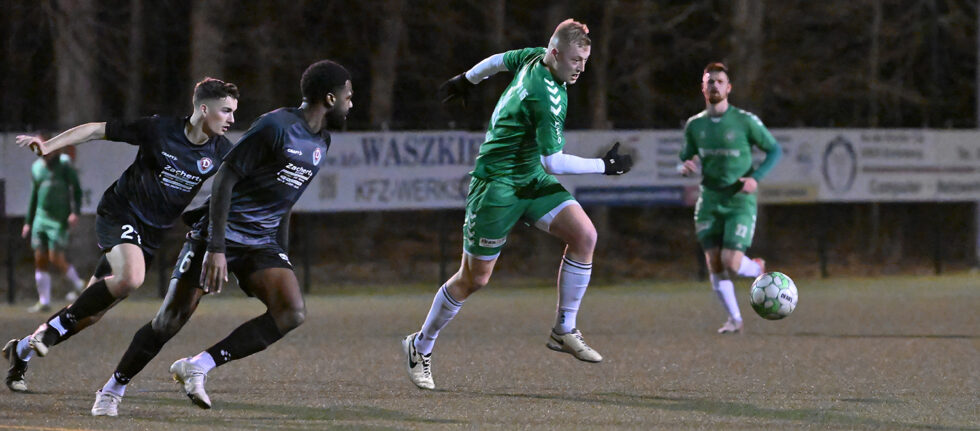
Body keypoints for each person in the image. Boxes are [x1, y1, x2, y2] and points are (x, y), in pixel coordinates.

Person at [88, 60, 353, 416]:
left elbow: (286, 200)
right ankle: (112, 389)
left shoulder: (322, 140)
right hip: (220, 234)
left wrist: (281, 255)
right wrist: (216, 247)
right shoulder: (277, 126)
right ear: (331, 98)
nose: (353, 104)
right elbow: (226, 177)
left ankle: (198, 365)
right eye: (350, 97)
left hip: (261, 243)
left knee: (291, 312)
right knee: (169, 321)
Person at [401, 18, 633, 391]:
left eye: (585, 61)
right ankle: (420, 345)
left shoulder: (535, 57)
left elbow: (497, 60)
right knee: (474, 279)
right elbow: (554, 162)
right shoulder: (547, 96)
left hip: (529, 178)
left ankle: (564, 329)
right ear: (556, 54)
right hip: (496, 185)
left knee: (585, 235)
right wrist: (604, 167)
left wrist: (466, 79)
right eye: (575, 60)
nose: (581, 68)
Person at [3, 78, 239, 394]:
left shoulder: (221, 150)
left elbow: (243, 182)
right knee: (131, 278)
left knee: (90, 313)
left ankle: (21, 351)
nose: (232, 120)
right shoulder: (159, 129)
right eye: (226, 111)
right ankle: (47, 331)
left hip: (150, 236)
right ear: (204, 108)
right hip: (119, 214)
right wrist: (48, 146)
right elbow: (96, 130)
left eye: (234, 113)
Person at [678, 62, 782, 334]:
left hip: (739, 200)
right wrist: (685, 165)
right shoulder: (695, 125)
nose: (714, 85)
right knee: (714, 262)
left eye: (719, 81)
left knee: (732, 262)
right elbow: (685, 156)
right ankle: (735, 319)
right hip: (709, 200)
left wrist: (755, 178)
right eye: (709, 81)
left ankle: (755, 266)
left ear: (729, 87)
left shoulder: (745, 121)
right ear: (703, 87)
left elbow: (774, 150)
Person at [22, 149, 86, 312]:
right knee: (40, 258)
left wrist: (75, 212)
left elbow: (77, 188)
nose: (40, 151)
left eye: (43, 145)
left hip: (58, 220)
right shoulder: (36, 167)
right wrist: (28, 222)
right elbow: (33, 196)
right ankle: (44, 301)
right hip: (40, 218)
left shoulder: (64, 164)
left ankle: (79, 285)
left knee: (55, 256)